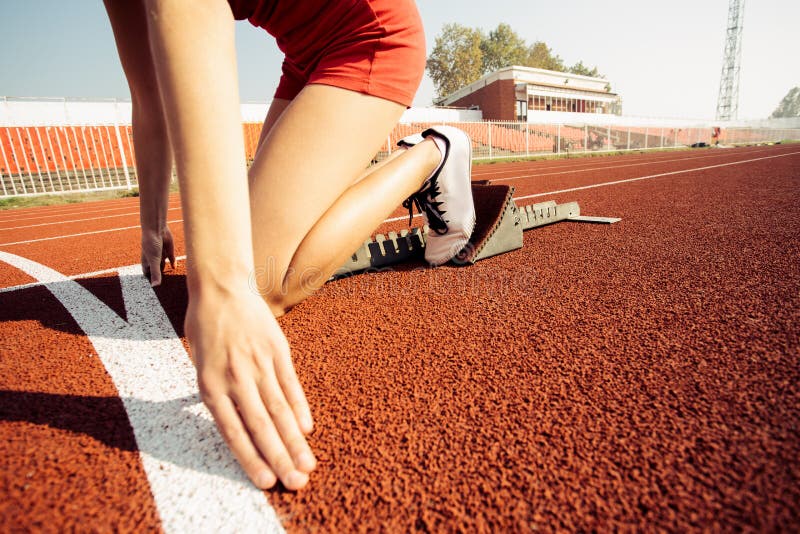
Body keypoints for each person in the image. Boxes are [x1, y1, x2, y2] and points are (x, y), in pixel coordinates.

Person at [103, 0, 475, 491]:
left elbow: (196, 13)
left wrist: (223, 288)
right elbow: (149, 93)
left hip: (368, 34)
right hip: (304, 55)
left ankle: (432, 154)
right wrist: (152, 223)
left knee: (258, 284)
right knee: (254, 249)